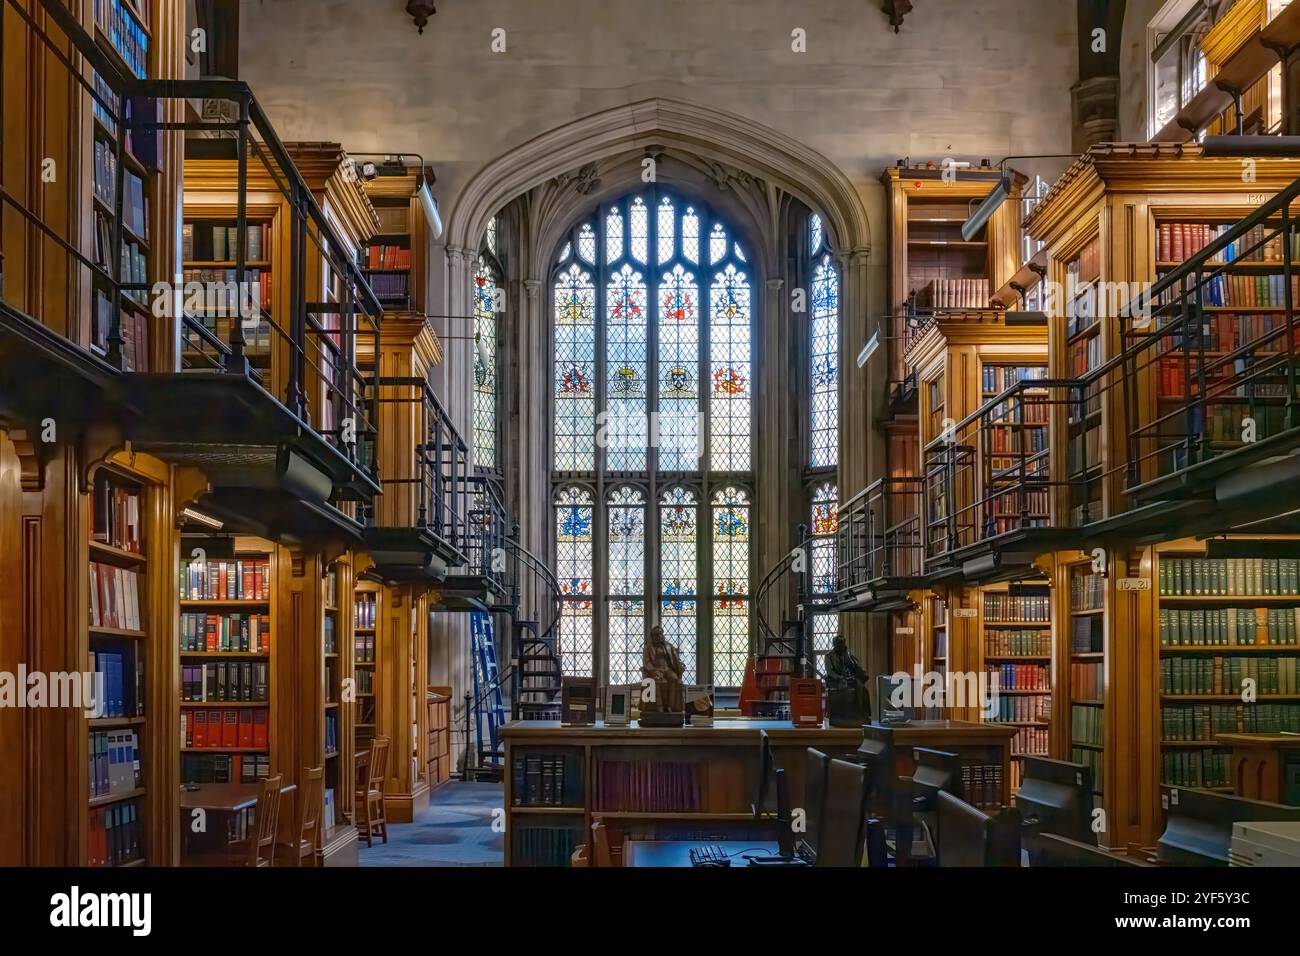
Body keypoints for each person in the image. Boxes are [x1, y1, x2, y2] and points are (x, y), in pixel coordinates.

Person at [824, 635, 868, 726]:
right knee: (845, 687)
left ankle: (860, 713)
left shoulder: (848, 655)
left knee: (862, 688)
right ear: (834, 644)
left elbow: (853, 668)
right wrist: (839, 677)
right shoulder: (829, 656)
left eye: (842, 644)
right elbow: (830, 671)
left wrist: (847, 656)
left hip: (849, 678)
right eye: (838, 644)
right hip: (836, 680)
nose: (840, 646)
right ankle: (842, 716)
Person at [641, 624, 685, 714]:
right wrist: (653, 670)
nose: (659, 636)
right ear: (652, 636)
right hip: (656, 669)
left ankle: (670, 706)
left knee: (675, 679)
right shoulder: (648, 648)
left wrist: (680, 666)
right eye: (656, 635)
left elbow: (675, 659)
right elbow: (646, 662)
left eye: (660, 634)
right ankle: (659, 707)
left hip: (668, 669)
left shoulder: (669, 646)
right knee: (657, 680)